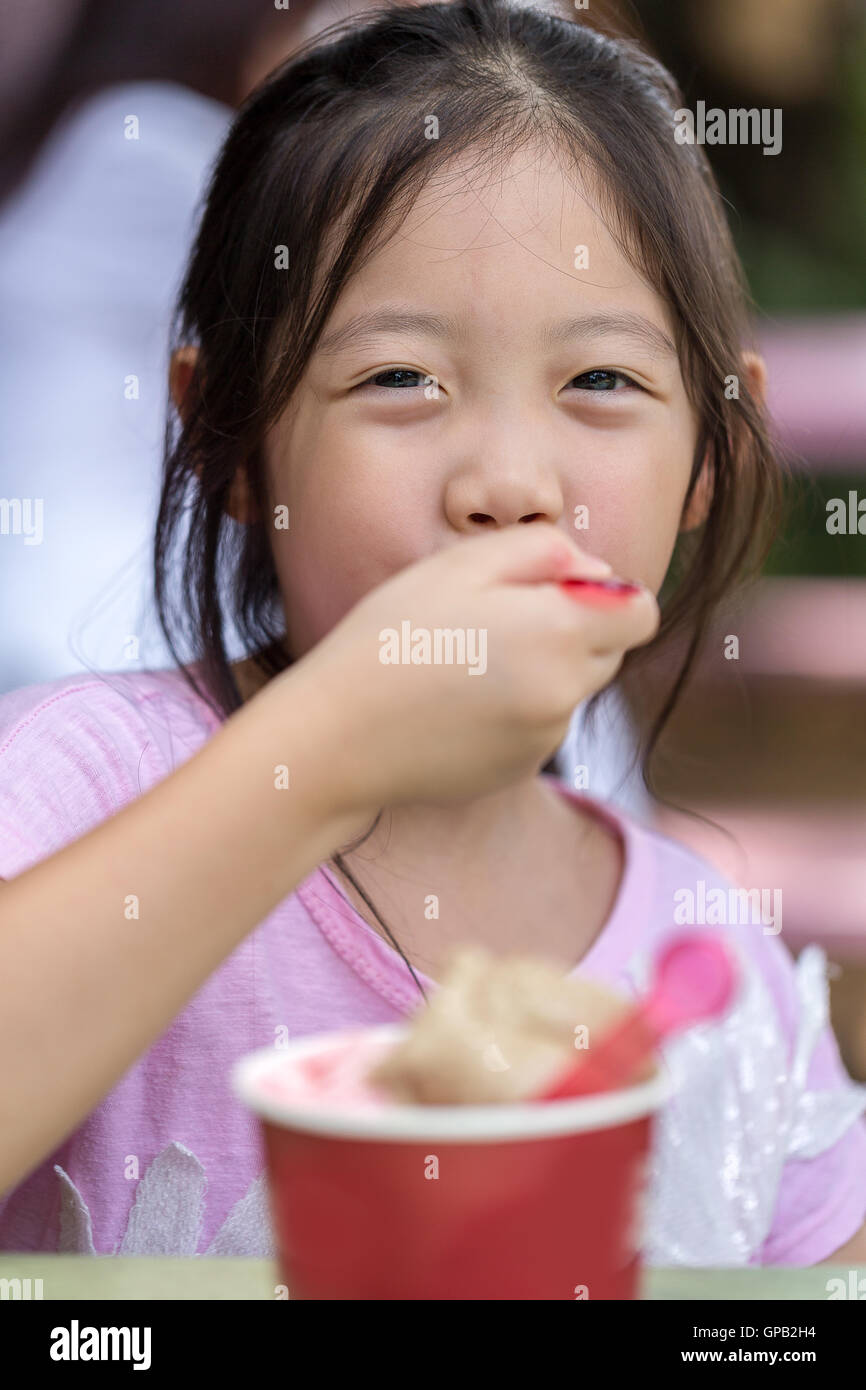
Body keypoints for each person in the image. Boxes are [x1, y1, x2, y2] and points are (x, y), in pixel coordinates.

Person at [0, 0, 863, 1266]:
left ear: (708, 455)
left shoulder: (705, 959)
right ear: (227, 432)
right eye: (399, 378)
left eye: (600, 384)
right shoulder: (80, 789)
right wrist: (332, 752)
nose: (505, 481)